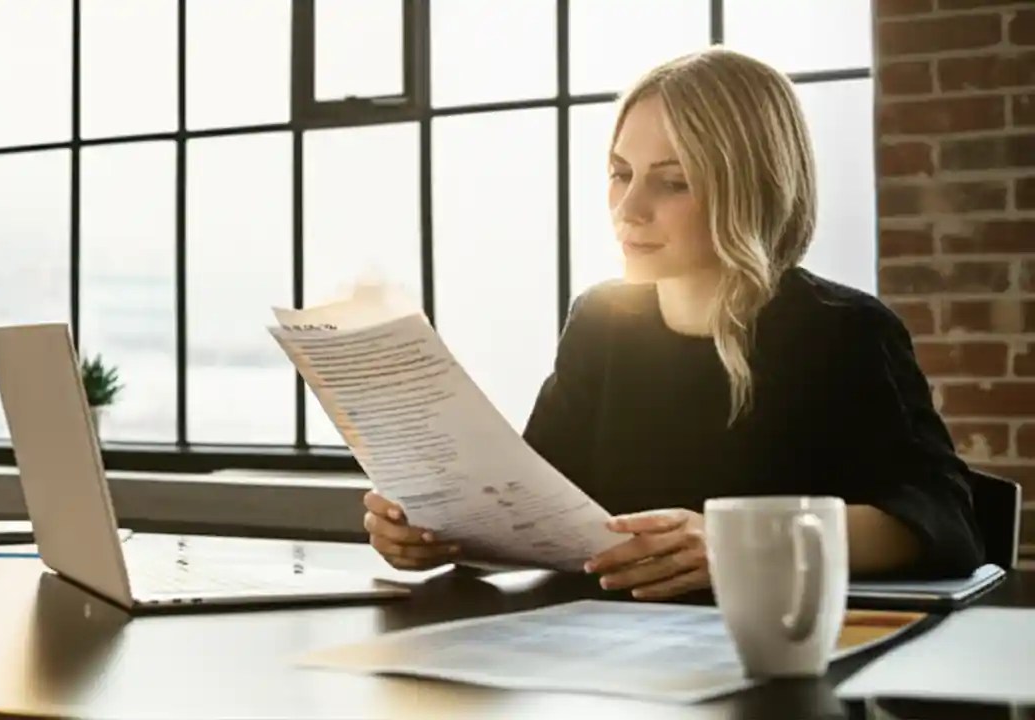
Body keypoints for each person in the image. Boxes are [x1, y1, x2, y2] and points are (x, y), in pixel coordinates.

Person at [361, 47, 985, 599]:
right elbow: (534, 508)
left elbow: (946, 523)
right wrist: (433, 528)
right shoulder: (601, 322)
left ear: (753, 190)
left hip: (776, 659)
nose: (627, 210)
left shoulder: (845, 330)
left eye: (673, 182)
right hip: (602, 663)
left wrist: (739, 543)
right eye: (620, 173)